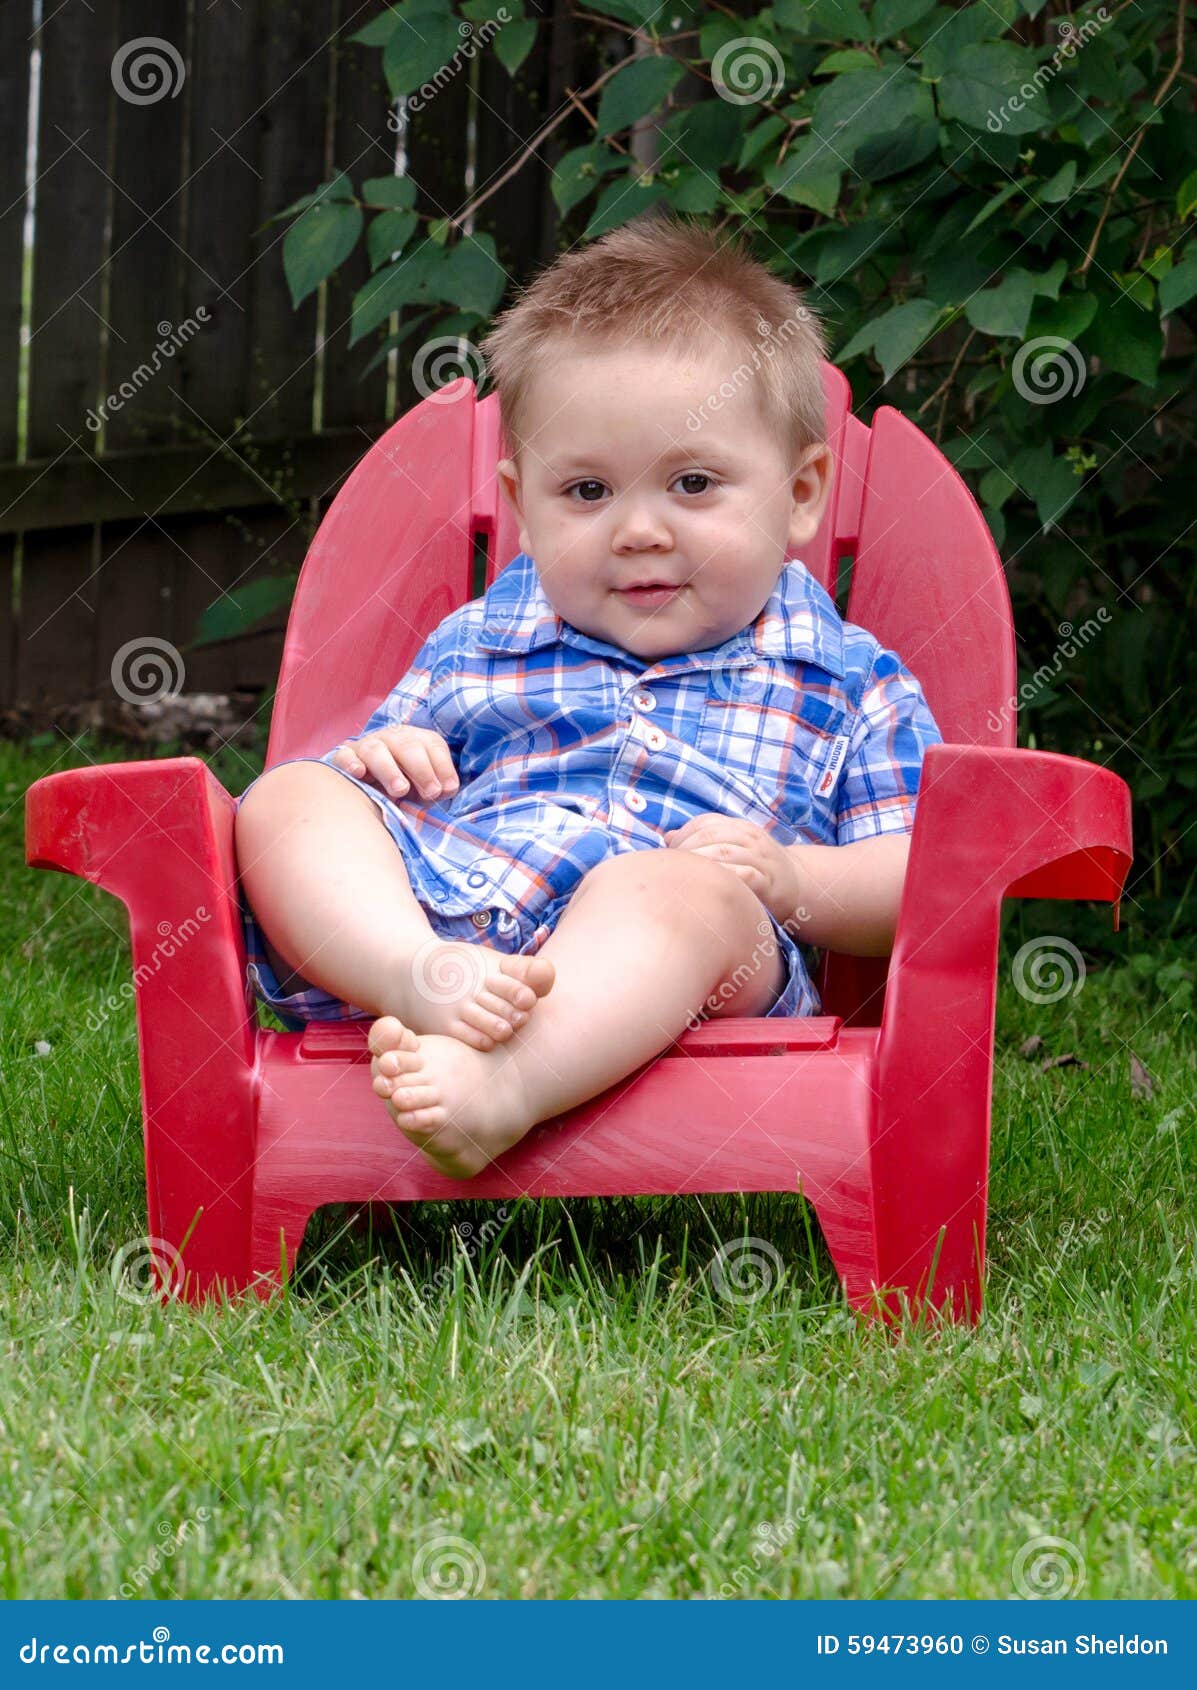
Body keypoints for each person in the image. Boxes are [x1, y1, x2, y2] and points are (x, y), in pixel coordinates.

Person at [234, 215, 942, 1180]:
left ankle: (507, 1086)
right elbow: (389, 778)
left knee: (680, 890)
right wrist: (383, 758)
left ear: (803, 492)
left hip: (680, 955)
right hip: (453, 915)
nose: (638, 530)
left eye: (692, 483)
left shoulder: (854, 684)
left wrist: (791, 880)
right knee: (285, 799)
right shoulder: (482, 639)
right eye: (585, 492)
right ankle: (420, 978)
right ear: (521, 506)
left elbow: (926, 877)